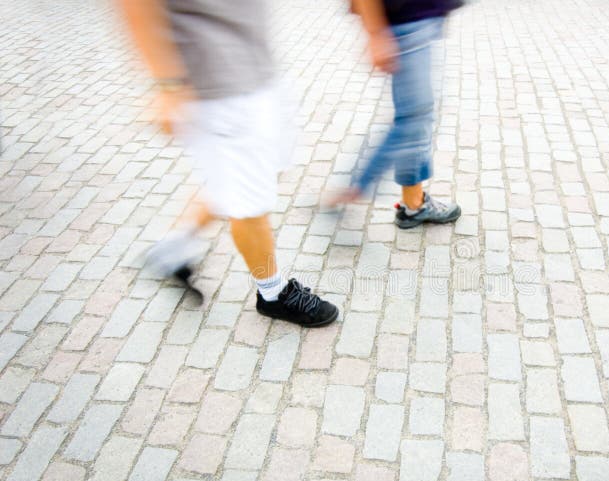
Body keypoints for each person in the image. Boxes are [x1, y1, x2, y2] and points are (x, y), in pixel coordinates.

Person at [118, 0, 339, 327]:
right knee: (250, 203)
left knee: (255, 175)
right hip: (218, 86)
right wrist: (167, 85)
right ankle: (273, 294)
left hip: (255, 72)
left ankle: (172, 250)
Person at [329, 0, 463, 229]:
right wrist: (375, 33)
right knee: (412, 121)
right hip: (408, 26)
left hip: (418, 22)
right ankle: (352, 189)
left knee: (418, 120)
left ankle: (414, 205)